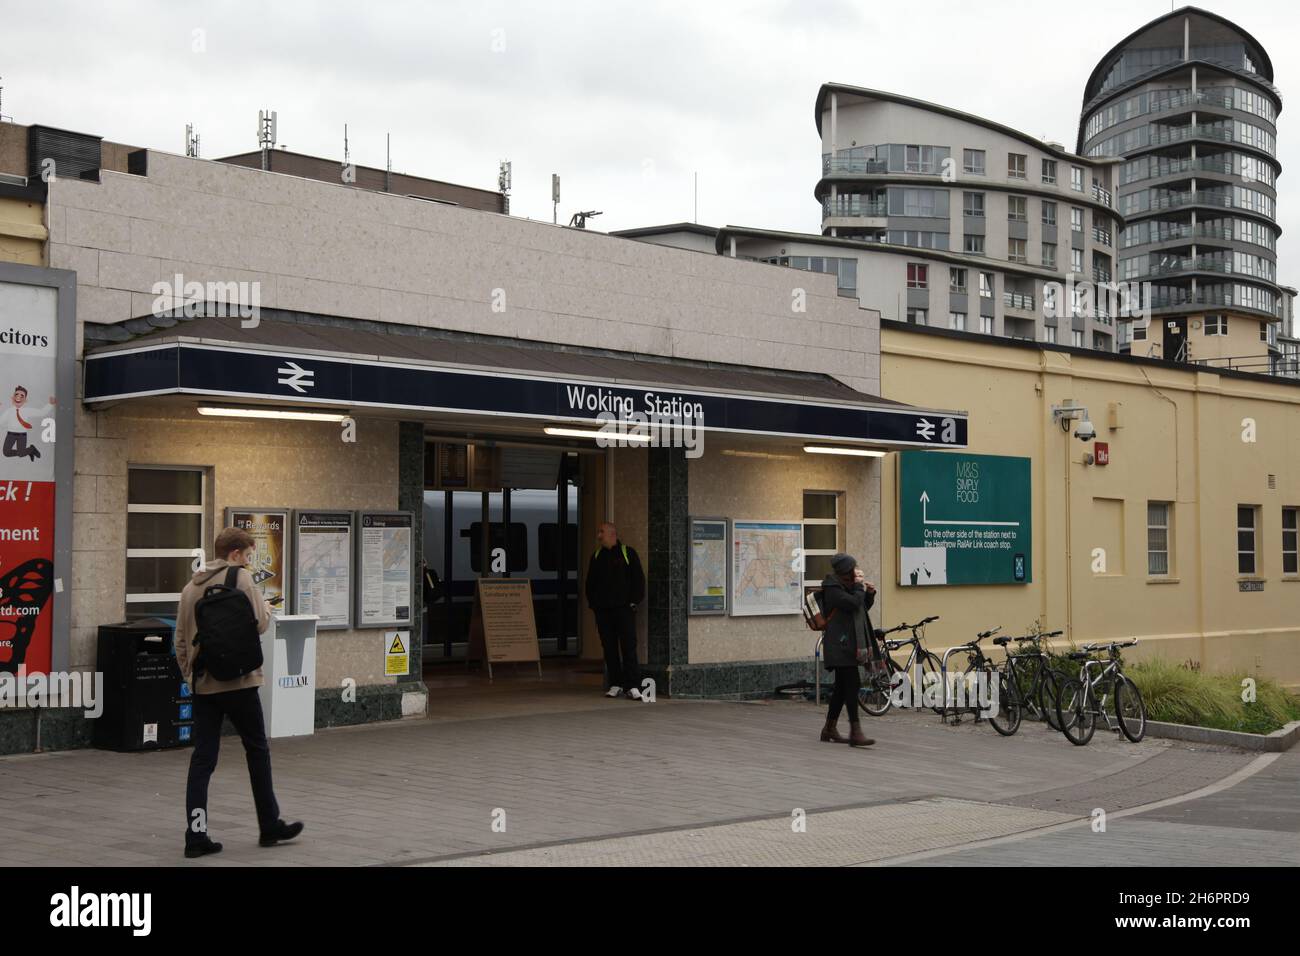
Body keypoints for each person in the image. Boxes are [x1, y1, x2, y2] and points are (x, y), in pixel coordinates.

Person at [175, 527, 304, 858]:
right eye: (247, 555)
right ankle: (268, 825)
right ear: (234, 554)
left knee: (203, 759)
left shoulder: (189, 589)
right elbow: (261, 623)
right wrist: (266, 611)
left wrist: (191, 674)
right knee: (256, 750)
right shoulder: (241, 579)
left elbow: (179, 641)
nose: (248, 561)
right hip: (242, 683)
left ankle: (196, 834)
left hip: (205, 685)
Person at [819, 553, 876, 748]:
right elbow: (852, 603)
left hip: (848, 645)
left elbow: (860, 608)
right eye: (852, 568)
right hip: (838, 645)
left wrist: (869, 594)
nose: (855, 571)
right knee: (853, 684)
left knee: (842, 689)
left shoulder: (847, 587)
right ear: (845, 570)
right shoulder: (832, 588)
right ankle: (855, 731)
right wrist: (860, 588)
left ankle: (829, 729)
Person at [585, 521, 646, 700]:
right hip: (603, 611)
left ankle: (633, 685)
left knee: (628, 647)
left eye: (601, 532)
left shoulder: (628, 554)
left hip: (624, 610)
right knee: (609, 648)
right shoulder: (596, 556)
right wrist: (594, 605)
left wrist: (633, 602)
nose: (598, 535)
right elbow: (590, 584)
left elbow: (638, 580)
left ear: (612, 534)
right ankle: (616, 684)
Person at [1, 386, 55, 462]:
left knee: (21, 453)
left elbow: (41, 412)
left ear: (25, 400)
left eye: (22, 396)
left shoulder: (27, 411)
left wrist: (50, 404)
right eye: (16, 395)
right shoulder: (9, 411)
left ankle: (31, 449)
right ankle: (30, 450)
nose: (18, 397)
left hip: (22, 435)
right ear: (12, 397)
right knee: (6, 453)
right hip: (10, 435)